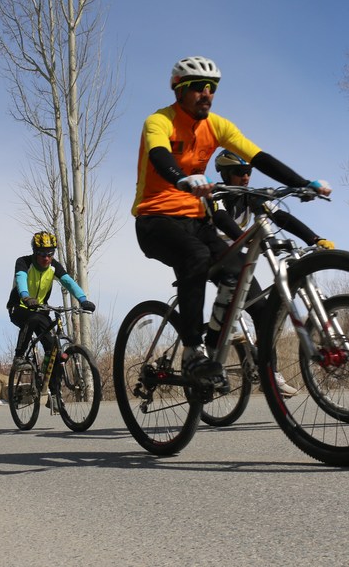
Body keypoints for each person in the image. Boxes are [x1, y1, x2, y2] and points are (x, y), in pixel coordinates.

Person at [132, 55, 331, 394]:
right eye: (198, 88)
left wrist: (303, 182)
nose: (206, 94)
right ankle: (193, 351)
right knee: (194, 256)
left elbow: (258, 157)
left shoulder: (218, 126)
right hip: (155, 218)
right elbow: (159, 156)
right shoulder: (159, 121)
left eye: (212, 88)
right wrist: (183, 179)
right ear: (179, 90)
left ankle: (213, 346)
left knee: (241, 270)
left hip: (197, 220)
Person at [210, 149, 336, 396]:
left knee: (263, 311)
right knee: (249, 305)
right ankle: (222, 345)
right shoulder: (215, 193)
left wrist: (315, 237)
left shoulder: (251, 197)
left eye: (248, 172)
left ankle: (267, 369)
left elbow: (281, 217)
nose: (245, 177)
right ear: (225, 174)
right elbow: (222, 219)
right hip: (215, 255)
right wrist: (244, 238)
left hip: (239, 256)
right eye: (239, 173)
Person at [6, 231, 96, 401]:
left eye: (50, 253)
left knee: (53, 347)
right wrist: (26, 296)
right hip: (19, 307)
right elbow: (21, 279)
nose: (46, 258)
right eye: (41, 254)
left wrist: (83, 300)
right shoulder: (23, 262)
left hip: (40, 310)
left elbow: (68, 281)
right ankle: (19, 356)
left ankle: (54, 393)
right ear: (35, 252)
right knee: (31, 319)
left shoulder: (54, 266)